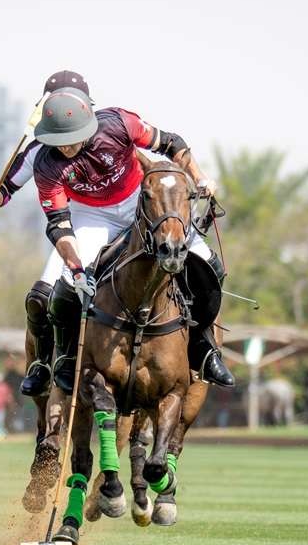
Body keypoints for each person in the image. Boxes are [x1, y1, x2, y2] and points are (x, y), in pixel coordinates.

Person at [29, 86, 235, 391]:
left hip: (142, 202)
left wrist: (200, 176)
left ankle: (204, 348)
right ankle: (68, 358)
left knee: (210, 266)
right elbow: (60, 225)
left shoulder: (119, 123)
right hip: (93, 215)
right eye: (58, 141)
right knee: (67, 285)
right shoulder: (47, 165)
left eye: (71, 139)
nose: (65, 148)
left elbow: (171, 143)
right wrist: (75, 268)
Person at [0, 70, 94, 397]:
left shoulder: (106, 136)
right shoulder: (40, 150)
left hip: (119, 221)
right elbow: (9, 184)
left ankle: (197, 344)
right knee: (40, 299)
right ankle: (42, 363)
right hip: (72, 228)